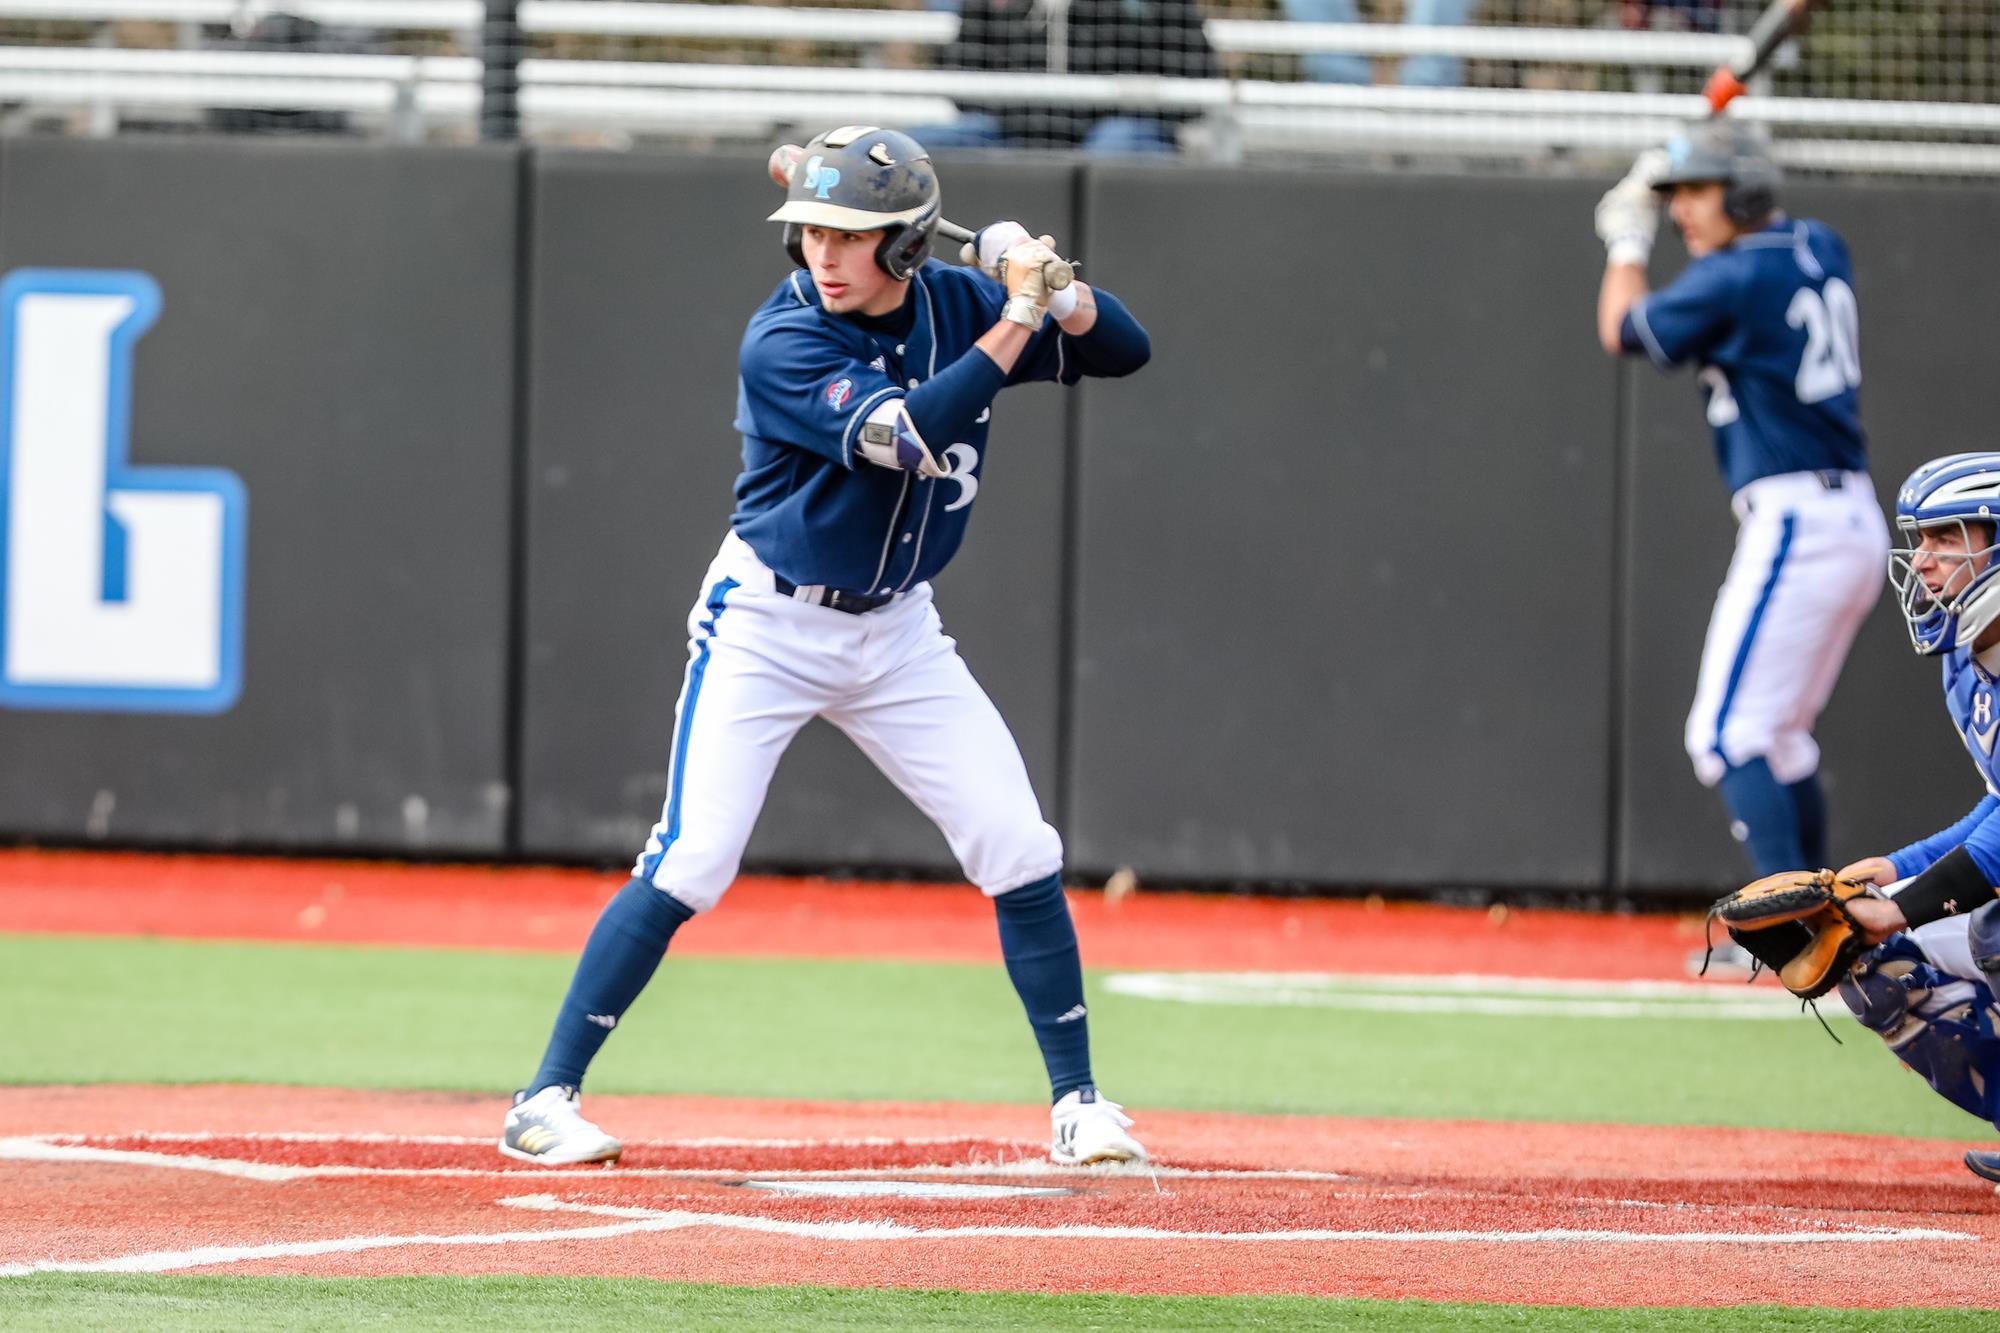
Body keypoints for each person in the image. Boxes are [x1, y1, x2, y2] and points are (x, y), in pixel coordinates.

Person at [500, 125, 1152, 1169]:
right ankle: (542, 1097)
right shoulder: (785, 338)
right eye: (809, 232)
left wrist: (1054, 286)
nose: (823, 255)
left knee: (1017, 842)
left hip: (897, 629)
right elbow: (907, 433)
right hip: (767, 622)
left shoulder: (955, 301)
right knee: (694, 857)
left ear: (903, 247)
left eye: (849, 236)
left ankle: (1078, 1104)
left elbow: (1123, 348)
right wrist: (1019, 312)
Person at [1594, 119, 1887, 969]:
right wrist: (1688, 172)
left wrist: (1624, 240)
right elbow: (1732, 276)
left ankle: (1787, 935)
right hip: (1847, 517)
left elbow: (1624, 328)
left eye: (1696, 193)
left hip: (1799, 518)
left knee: (1726, 732)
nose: (1682, 210)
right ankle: (1822, 922)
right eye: (1676, 196)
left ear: (1745, 193)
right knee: (1780, 736)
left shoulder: (1731, 278)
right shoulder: (1815, 244)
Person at [1816, 452, 2000, 1184]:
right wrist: (1896, 867)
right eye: (1919, 539)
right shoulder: (1967, 655)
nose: (1921, 560)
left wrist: (1902, 903)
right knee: (1870, 966)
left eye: (1945, 537)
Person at [914, 0, 1218, 153]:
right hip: (1010, 130)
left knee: (1115, 141)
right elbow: (959, 74)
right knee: (917, 146)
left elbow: (1200, 77)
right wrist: (1026, 111)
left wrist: (1104, 103)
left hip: (1113, 132)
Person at [1276, 0, 1480, 89]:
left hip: (1430, 88)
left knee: (1430, 78)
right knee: (1337, 78)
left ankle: (1426, 94)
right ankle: (1343, 90)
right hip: (1342, 86)